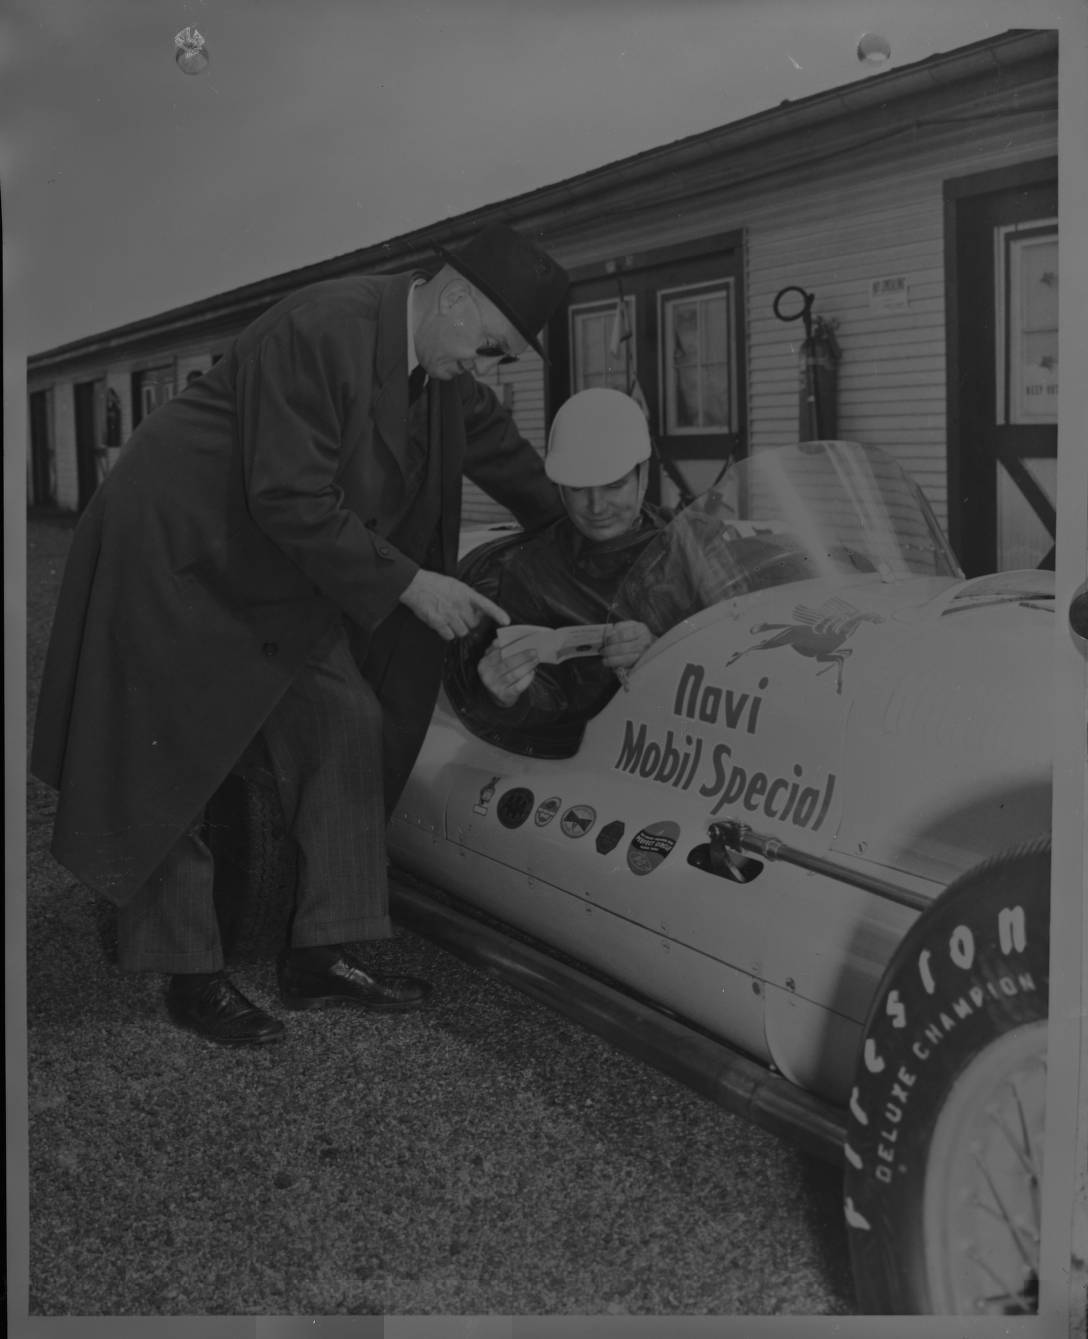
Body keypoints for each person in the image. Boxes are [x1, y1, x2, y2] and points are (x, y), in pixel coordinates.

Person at [30, 222, 570, 1045]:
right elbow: (287, 494)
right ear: (457, 299)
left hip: (278, 563)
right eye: (492, 345)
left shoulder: (437, 363)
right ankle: (191, 973)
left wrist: (588, 530)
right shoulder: (322, 327)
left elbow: (500, 450)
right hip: (179, 545)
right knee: (173, 749)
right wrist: (411, 582)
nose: (486, 363)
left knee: (344, 720)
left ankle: (322, 954)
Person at [446, 388, 663, 751]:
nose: (596, 506)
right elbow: (550, 699)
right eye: (578, 489)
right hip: (603, 760)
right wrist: (507, 694)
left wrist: (662, 650)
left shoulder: (691, 542)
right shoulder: (531, 571)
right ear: (559, 488)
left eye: (613, 485)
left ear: (644, 476)